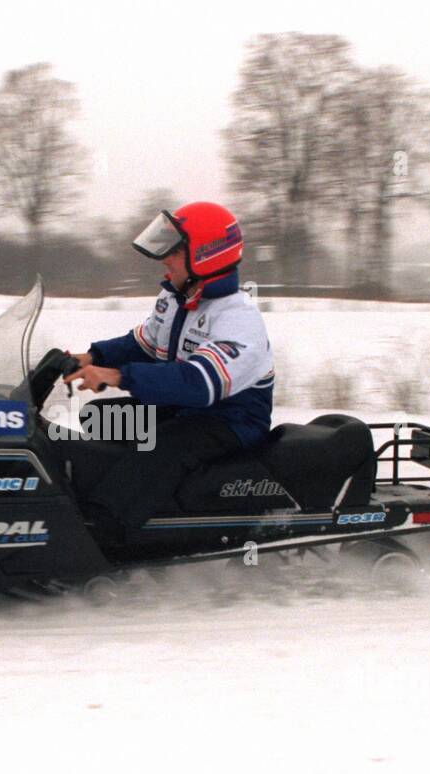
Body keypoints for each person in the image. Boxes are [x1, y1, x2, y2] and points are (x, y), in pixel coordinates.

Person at [63, 201, 274, 547]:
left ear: (206, 256)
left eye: (174, 252)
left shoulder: (238, 319)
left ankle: (106, 532)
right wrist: (91, 355)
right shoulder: (177, 299)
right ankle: (113, 496)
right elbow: (143, 342)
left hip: (230, 421)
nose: (165, 260)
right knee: (100, 418)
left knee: (161, 446)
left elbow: (198, 384)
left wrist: (118, 376)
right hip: (183, 410)